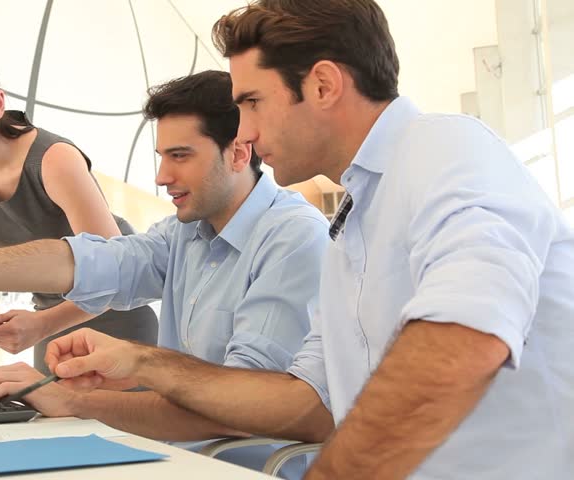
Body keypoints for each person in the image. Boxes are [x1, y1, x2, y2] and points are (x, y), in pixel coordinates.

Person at [37, 1, 574, 479]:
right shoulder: (354, 222)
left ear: (322, 85)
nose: (243, 132)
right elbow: (309, 404)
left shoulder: (445, 148)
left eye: (252, 102)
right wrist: (142, 363)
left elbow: (466, 335)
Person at [0, 70, 329, 478]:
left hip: (238, 469)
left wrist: (74, 398)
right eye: (161, 156)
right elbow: (87, 261)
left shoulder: (293, 238)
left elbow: (242, 409)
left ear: (239, 153)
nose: (162, 176)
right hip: (181, 458)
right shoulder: (185, 233)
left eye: (180, 156)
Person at [0, 36, 157, 393]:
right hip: (49, 326)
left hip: (114, 318)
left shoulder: (55, 159)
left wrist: (43, 324)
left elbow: (118, 276)